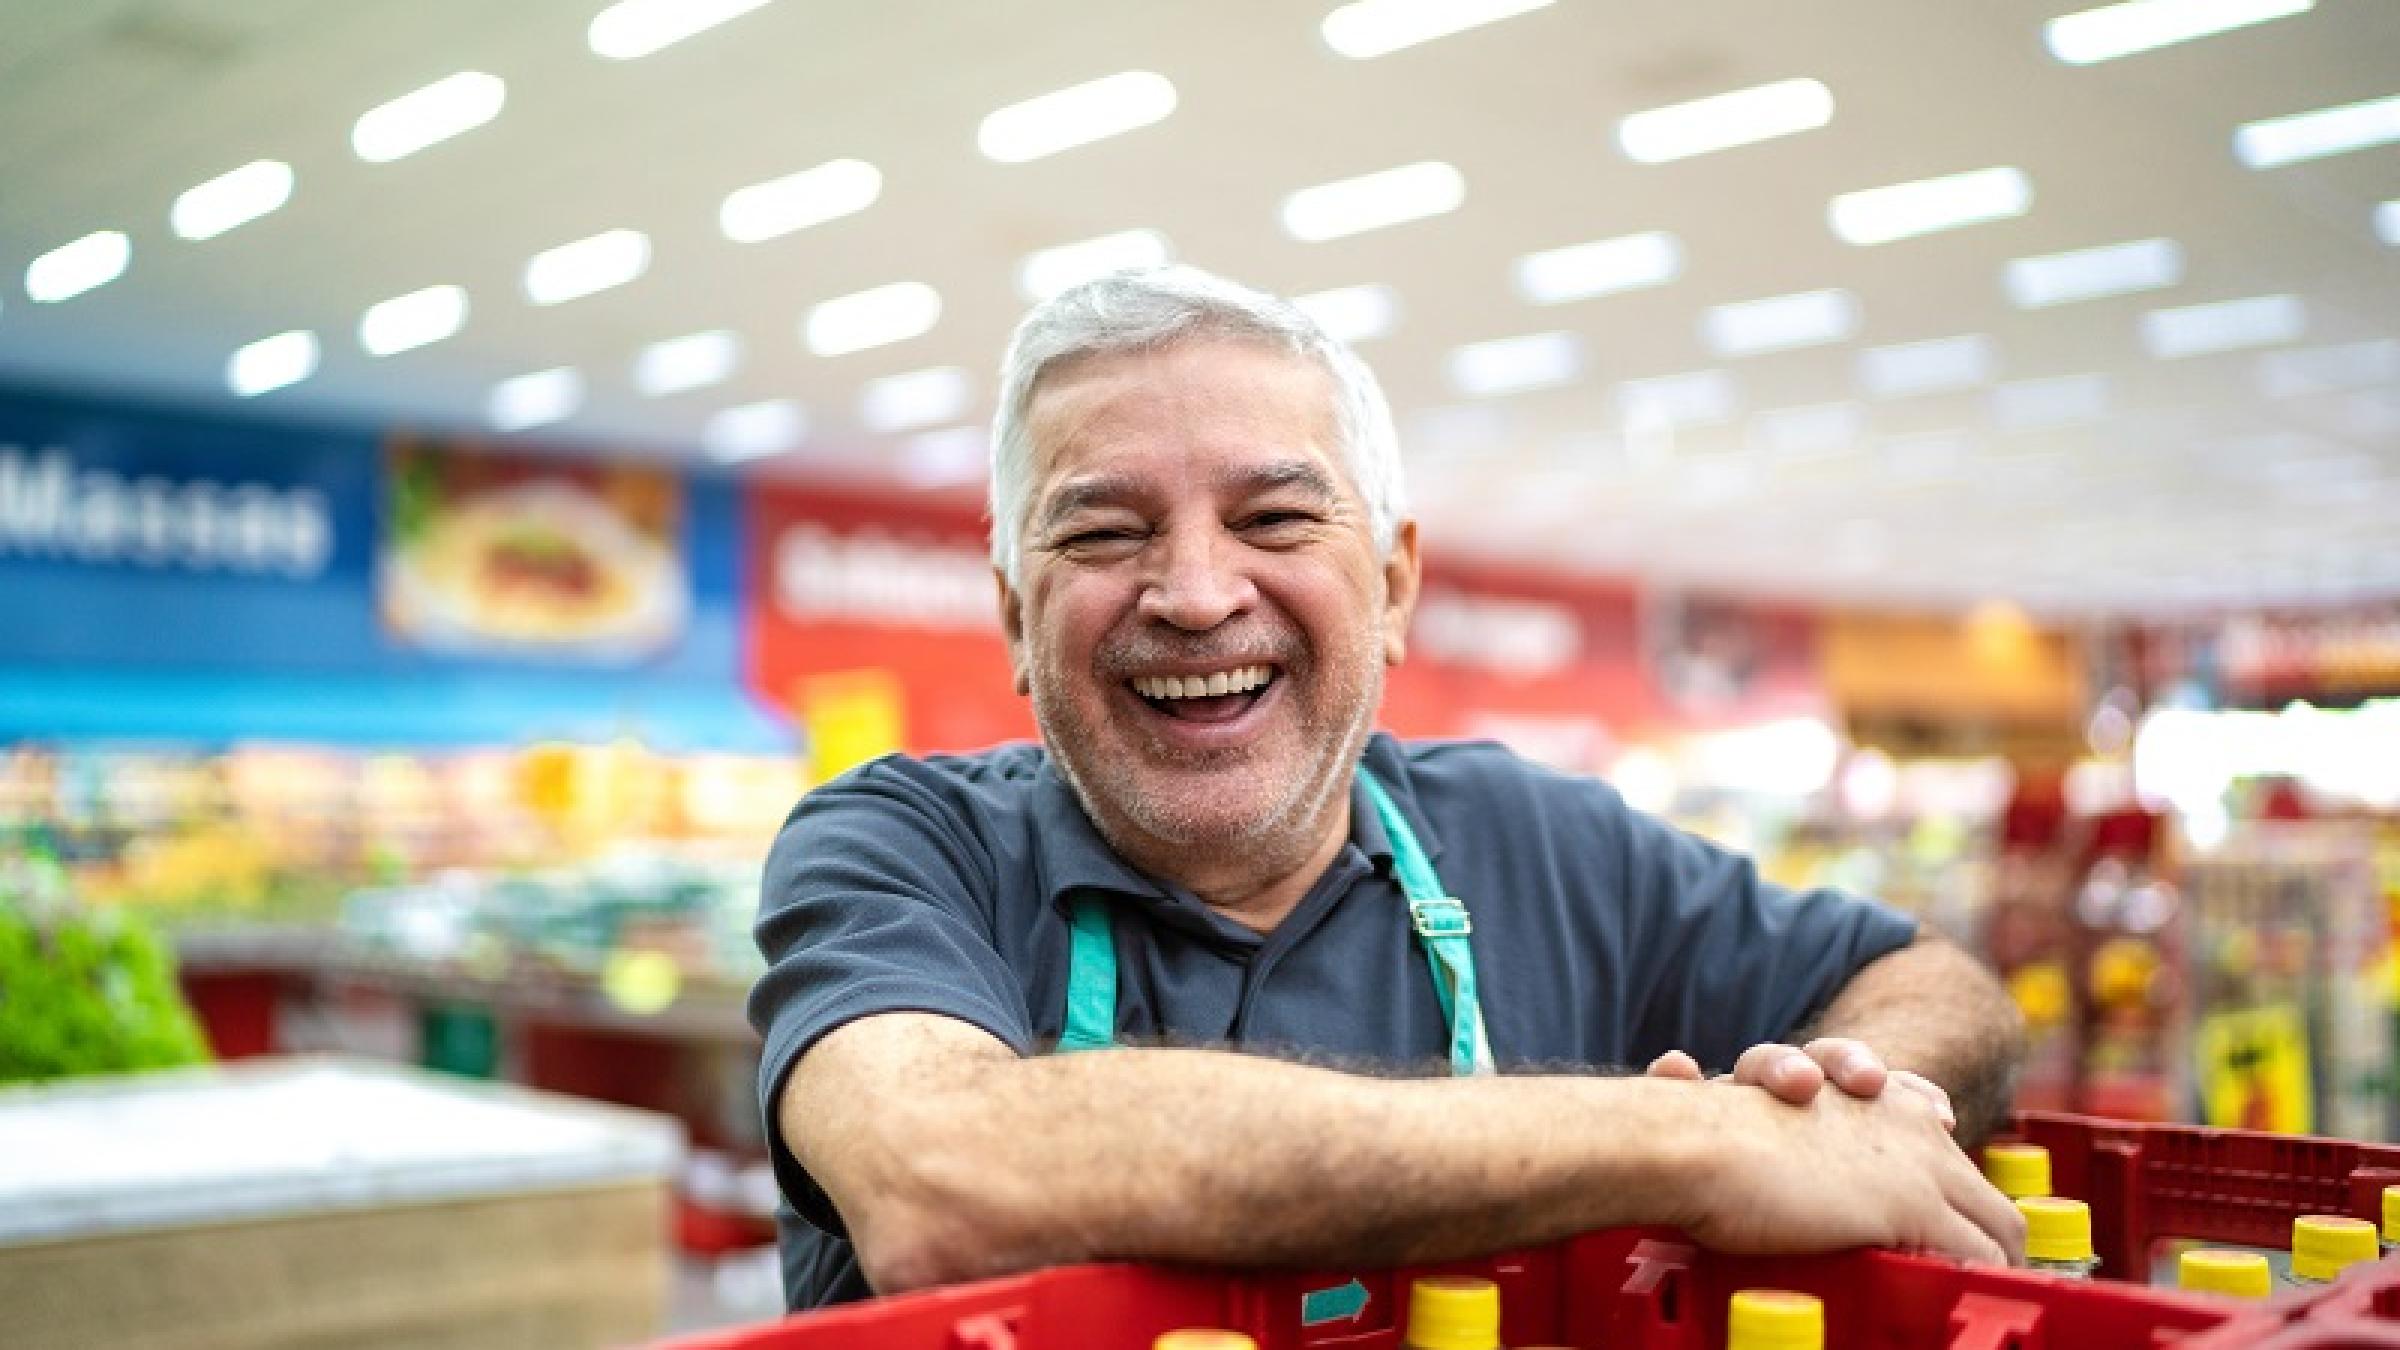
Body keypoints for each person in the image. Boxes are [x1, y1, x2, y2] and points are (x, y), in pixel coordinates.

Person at [749, 265, 2028, 1310]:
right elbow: (944, 1174)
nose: (1196, 594)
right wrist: (1700, 1143)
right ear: (1019, 620)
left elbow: (1931, 978)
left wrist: (1845, 1109)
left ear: (1398, 584)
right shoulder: (898, 845)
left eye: (1274, 519)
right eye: (1102, 532)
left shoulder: (1535, 839)